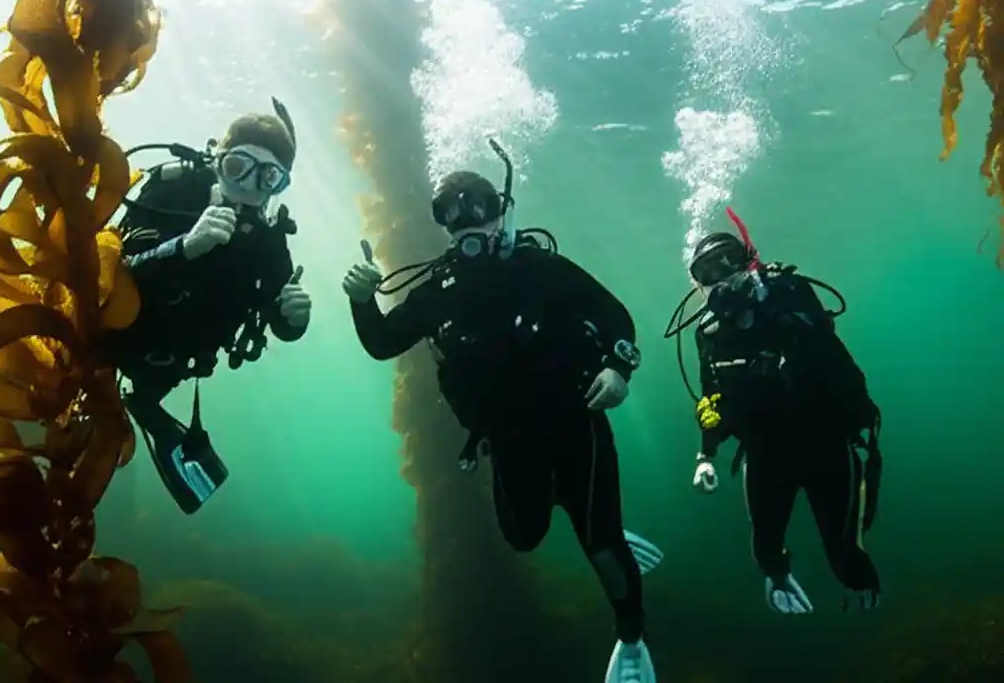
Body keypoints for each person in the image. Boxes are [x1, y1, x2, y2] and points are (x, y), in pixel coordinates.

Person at [341, 140, 659, 683]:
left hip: (575, 426)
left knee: (603, 550)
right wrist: (360, 298)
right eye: (451, 213)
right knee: (522, 537)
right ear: (443, 223)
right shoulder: (441, 287)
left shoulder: (542, 268)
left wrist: (618, 369)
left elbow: (614, 316)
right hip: (507, 441)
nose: (467, 221)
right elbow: (383, 342)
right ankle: (592, 517)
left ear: (501, 210)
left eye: (478, 206)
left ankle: (631, 638)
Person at [669, 207, 883, 615]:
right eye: (706, 272)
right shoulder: (708, 334)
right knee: (765, 547)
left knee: (842, 549)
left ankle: (863, 589)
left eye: (728, 262)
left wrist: (786, 338)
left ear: (750, 260)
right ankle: (780, 580)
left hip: (824, 444)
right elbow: (710, 394)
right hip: (765, 454)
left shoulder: (789, 292)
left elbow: (828, 349)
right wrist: (705, 454)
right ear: (697, 285)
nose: (720, 277)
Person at [103, 99, 312, 514]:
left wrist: (295, 318)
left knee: (125, 429)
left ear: (277, 185)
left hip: (173, 368)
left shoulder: (268, 242)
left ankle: (143, 408)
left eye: (267, 176)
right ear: (218, 159)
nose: (250, 186)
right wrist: (183, 248)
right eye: (238, 167)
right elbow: (110, 272)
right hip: (108, 337)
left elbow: (277, 318)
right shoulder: (174, 190)